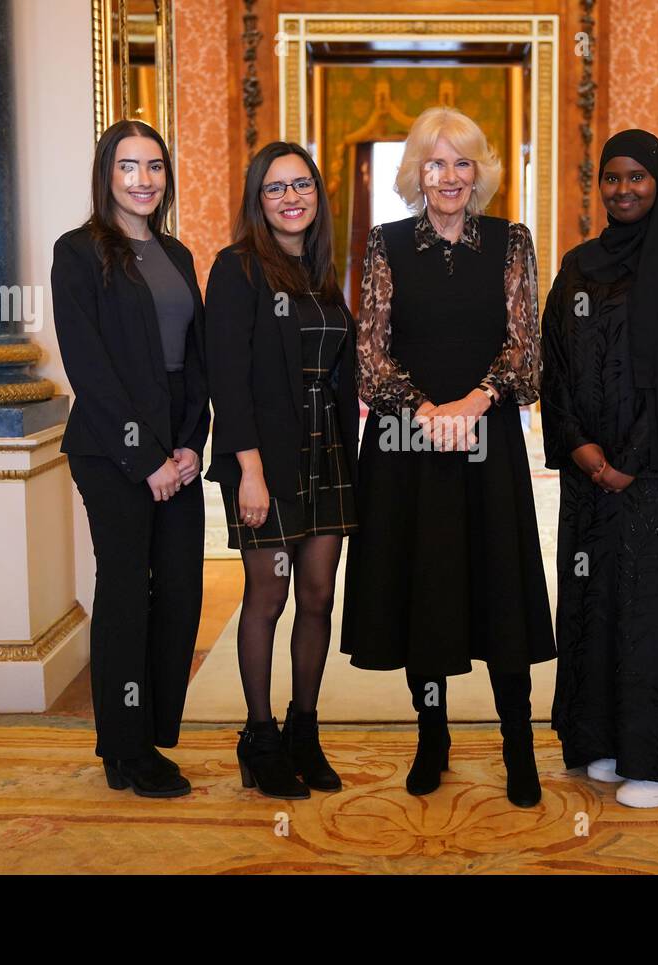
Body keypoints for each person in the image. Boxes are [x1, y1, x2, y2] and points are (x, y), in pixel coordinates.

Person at [340, 106, 555, 809]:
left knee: (501, 590)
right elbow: (370, 354)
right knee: (423, 594)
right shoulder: (386, 243)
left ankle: (517, 743)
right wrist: (427, 412)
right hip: (408, 447)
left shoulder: (510, 242)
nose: (451, 176)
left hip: (485, 439)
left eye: (463, 162)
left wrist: (472, 403)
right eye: (436, 163)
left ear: (480, 172)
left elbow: (526, 349)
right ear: (417, 173)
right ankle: (432, 737)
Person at [541, 130, 658, 809]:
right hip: (592, 475)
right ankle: (604, 740)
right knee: (597, 601)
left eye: (637, 177)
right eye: (612, 178)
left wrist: (632, 464)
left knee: (653, 612)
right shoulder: (580, 263)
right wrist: (582, 448)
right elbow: (554, 362)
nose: (622, 189)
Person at [51, 119, 209, 798]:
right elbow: (89, 364)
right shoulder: (79, 252)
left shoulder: (179, 254)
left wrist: (190, 445)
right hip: (111, 449)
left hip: (176, 444)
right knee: (126, 594)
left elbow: (196, 362)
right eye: (128, 167)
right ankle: (125, 746)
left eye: (155, 167)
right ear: (106, 175)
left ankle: (154, 732)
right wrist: (145, 458)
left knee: (178, 589)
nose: (144, 180)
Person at [205, 142, 359, 800]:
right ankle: (260, 736)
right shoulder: (236, 268)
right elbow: (227, 378)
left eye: (302, 185)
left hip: (328, 455)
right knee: (268, 595)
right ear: (257, 200)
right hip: (265, 456)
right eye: (275, 188)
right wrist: (250, 471)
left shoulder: (323, 272)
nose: (291, 197)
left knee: (319, 596)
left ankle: (304, 729)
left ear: (318, 196)